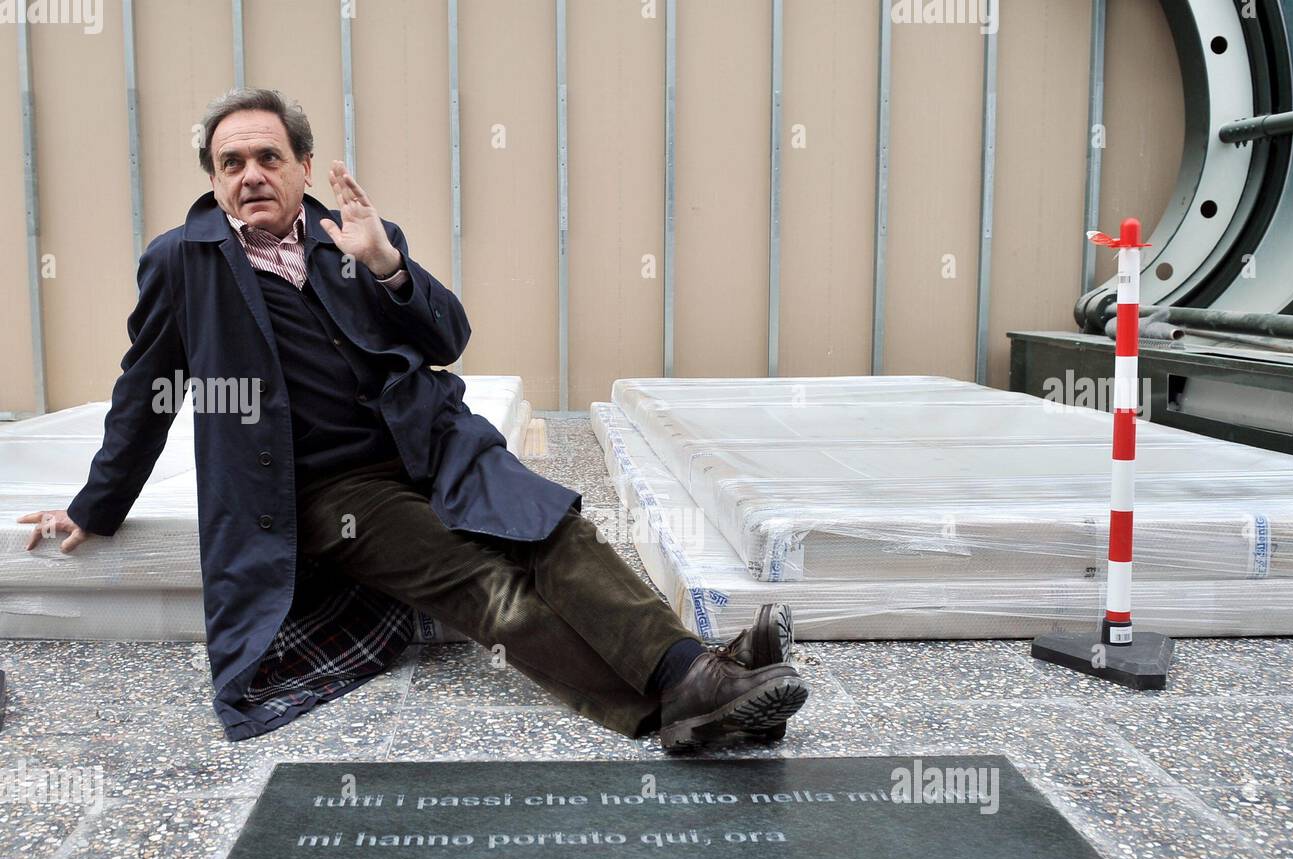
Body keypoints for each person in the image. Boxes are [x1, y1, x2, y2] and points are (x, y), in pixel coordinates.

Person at [17, 87, 809, 752]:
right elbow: (145, 390)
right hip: (334, 491)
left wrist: (387, 265)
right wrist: (95, 506)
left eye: (267, 157)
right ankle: (682, 695)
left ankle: (699, 679)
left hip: (435, 441)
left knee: (560, 531)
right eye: (232, 163)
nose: (250, 174)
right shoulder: (180, 262)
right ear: (214, 181)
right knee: (486, 587)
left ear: (301, 166)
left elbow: (448, 338)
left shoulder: (355, 235)